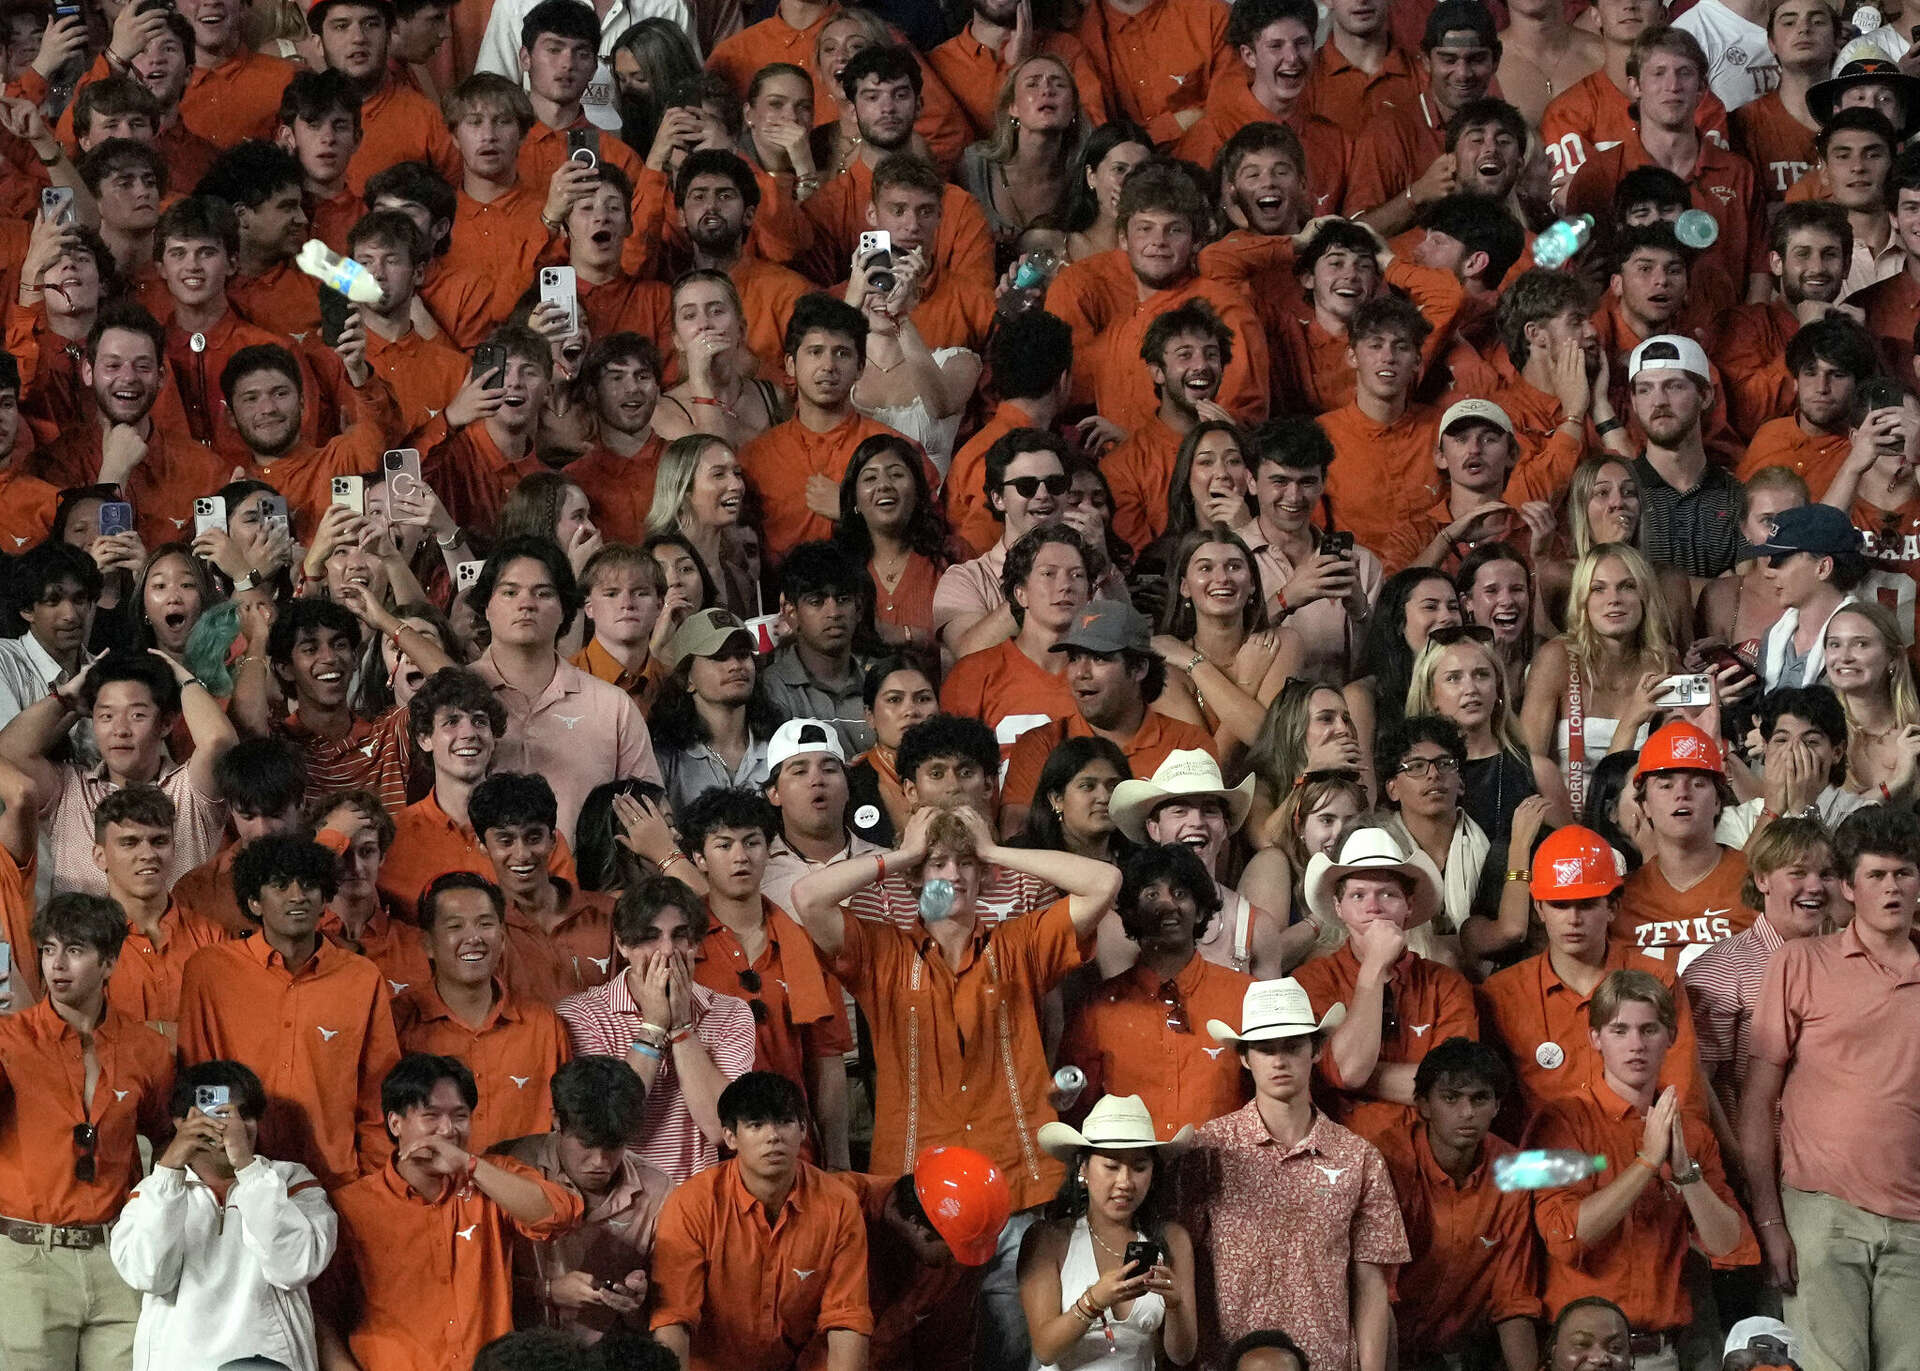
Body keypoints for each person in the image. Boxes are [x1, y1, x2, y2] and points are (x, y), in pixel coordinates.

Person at [790, 803, 1121, 1367]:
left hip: (1014, 1183)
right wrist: (899, 857)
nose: (953, 874)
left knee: (1011, 1349)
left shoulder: (1018, 943)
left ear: (984, 875)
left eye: (965, 863)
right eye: (939, 862)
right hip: (921, 1198)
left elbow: (1105, 881)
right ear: (918, 876)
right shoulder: (883, 952)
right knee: (918, 1346)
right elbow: (807, 899)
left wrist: (993, 849)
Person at [1741, 804, 1920, 1371]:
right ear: (1848, 886)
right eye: (1876, 875)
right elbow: (1756, 1102)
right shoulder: (1799, 962)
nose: (1892, 888)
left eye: (1904, 873)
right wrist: (1770, 1221)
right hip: (1820, 1211)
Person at [1182, 978, 1409, 1371]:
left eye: (1292, 1046)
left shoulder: (1359, 1158)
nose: (1279, 1060)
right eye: (1265, 1049)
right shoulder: (1208, 1150)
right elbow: (1182, 1260)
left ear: (1316, 1050)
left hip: (1327, 1361)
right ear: (1244, 1058)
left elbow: (1371, 1283)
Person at [1527, 969, 1757, 1358]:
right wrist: (1648, 1161)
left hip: (1663, 1352)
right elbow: (1564, 1238)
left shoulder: (1692, 1132)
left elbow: (1729, 1247)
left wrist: (1686, 1174)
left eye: (1649, 1030)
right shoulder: (1562, 1121)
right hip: (1583, 1354)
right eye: (1620, 1031)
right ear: (1595, 1038)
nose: (1636, 1044)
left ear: (1671, 1037)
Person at [0, 892, 174, 1371]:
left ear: (110, 961)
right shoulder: (8, 1040)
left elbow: (164, 1138)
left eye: (75, 950)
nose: (57, 964)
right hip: (26, 1257)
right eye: (49, 949)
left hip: (117, 1253)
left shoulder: (148, 1049)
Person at [323, 1054, 584, 1371]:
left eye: (460, 1116)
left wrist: (469, 1165)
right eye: (431, 1116)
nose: (447, 1131)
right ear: (395, 1123)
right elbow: (320, 1311)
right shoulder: (351, 1206)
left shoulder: (492, 1178)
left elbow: (560, 1214)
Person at [177, 834, 403, 1191]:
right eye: (280, 885)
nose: (298, 896)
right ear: (253, 901)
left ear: (325, 897)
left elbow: (377, 1094)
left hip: (333, 1185)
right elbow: (200, 1080)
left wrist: (370, 1185)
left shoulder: (361, 978)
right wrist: (216, 1175)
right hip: (233, 1181)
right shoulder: (210, 971)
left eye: (309, 884)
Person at [109, 1060, 338, 1371]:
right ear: (182, 1122)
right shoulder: (153, 1191)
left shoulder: (292, 1181)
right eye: (218, 1113)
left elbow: (294, 1266)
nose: (237, 1125)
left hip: (272, 1362)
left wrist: (247, 1167)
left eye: (247, 1115)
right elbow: (147, 1275)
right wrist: (170, 1168)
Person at [1478, 825, 1712, 1124]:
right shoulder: (1501, 994)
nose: (1573, 919)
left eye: (1587, 904)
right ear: (1539, 909)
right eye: (1560, 905)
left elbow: (1684, 1099)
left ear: (1612, 907)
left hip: (1643, 1155)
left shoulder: (1657, 979)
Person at [648, 1071, 871, 1371]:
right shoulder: (691, 1204)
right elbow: (673, 1319)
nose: (773, 1136)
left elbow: (847, 1318)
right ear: (730, 1137)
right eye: (756, 1125)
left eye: (785, 1122)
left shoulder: (839, 1203)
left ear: (804, 1129)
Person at [677, 784, 851, 1168]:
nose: (740, 857)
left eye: (751, 842)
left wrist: (839, 1168)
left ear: (768, 852)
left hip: (789, 1153)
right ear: (699, 858)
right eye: (724, 845)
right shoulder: (678, 947)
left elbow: (826, 1063)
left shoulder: (803, 943)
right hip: (701, 1160)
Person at [554, 874, 757, 1185]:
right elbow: (604, 1123)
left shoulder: (731, 1012)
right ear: (622, 944)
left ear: (695, 943)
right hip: (616, 1203)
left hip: (697, 1202)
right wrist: (653, 1026)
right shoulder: (581, 1014)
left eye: (679, 936)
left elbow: (720, 1129)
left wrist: (680, 1027)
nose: (666, 951)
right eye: (650, 936)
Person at [469, 535, 663, 846]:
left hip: (588, 889)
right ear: (486, 607)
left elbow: (648, 819)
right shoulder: (456, 700)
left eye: (543, 593)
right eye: (509, 592)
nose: (526, 604)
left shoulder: (612, 706)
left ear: (565, 610)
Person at [0, 648, 237, 898]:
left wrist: (183, 679)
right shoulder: (69, 791)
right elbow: (8, 754)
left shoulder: (190, 791)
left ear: (166, 723)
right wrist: (65, 699)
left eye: (137, 715)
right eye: (106, 715)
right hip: (82, 936)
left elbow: (219, 741)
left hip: (179, 935)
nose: (120, 729)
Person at [1292, 822, 1477, 1139]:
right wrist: (1375, 965)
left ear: (1409, 906)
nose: (1373, 907)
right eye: (1358, 895)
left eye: (1388, 894)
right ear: (1340, 908)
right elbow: (1350, 1071)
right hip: (1343, 1164)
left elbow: (1455, 1088)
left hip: (1429, 1159)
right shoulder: (1311, 980)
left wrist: (1350, 1074)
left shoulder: (1446, 985)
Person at [1058, 842, 1253, 1135]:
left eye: (1180, 893)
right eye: (1151, 894)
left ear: (1200, 911)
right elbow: (1076, 1115)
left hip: (1229, 1173)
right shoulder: (1098, 1009)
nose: (1167, 904)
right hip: (1135, 1177)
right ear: (1132, 914)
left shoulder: (1246, 996)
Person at [1373, 1038, 1542, 1371]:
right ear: (1422, 1104)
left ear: (1496, 1106)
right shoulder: (1386, 1161)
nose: (1467, 1112)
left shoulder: (1513, 1170)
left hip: (1462, 1356)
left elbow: (1514, 1300)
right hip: (1383, 1349)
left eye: (1480, 1098)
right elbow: (1377, 1296)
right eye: (1451, 1098)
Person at [492, 1055, 673, 1344]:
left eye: (613, 1146)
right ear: (556, 1122)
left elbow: (671, 1310)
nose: (600, 1161)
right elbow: (472, 1283)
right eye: (587, 1145)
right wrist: (546, 1290)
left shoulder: (657, 1191)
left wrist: (638, 1299)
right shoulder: (507, 1169)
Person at [998, 599, 1217, 836]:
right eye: (1074, 658)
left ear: (1139, 669)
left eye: (1099, 658)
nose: (1081, 672)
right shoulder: (1041, 744)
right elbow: (1017, 838)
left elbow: (1206, 841)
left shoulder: (1187, 744)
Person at [392, 871, 573, 1150]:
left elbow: (567, 1128)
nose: (473, 937)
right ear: (427, 944)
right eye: (455, 927)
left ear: (501, 939)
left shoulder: (543, 1025)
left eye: (484, 924)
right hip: (430, 1191)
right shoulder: (398, 1021)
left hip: (524, 1190)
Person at [1019, 1093, 1198, 1370]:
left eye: (1139, 1167)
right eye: (1111, 1167)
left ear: (1153, 1174)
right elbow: (1045, 1349)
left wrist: (1175, 1306)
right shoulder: (1049, 1239)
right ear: (1083, 1170)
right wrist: (1094, 1300)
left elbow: (1181, 1355)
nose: (1125, 1182)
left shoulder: (1172, 1240)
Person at [1683, 816, 1838, 1125]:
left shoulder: (1849, 961)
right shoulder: (1721, 970)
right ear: (1761, 879)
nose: (1815, 887)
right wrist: (1739, 1165)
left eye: (1826, 874)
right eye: (1798, 873)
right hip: (1760, 1159)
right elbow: (1699, 1088)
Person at [738, 293, 906, 563]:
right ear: (790, 364)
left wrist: (852, 510)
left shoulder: (895, 451)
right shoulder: (755, 459)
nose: (828, 366)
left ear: (860, 368)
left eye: (842, 353)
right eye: (815, 352)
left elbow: (928, 536)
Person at [1520, 542, 1678, 824]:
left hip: (1640, 829)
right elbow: (1527, 770)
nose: (1613, 599)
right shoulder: (1556, 660)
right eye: (1598, 588)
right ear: (1582, 600)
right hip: (1561, 825)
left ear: (1644, 596)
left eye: (1627, 586)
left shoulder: (1665, 667)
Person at [941, 523, 1094, 754]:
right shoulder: (973, 675)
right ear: (1020, 593)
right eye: (1048, 574)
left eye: (1077, 575)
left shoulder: (1107, 674)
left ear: (1089, 594)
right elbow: (951, 773)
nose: (1065, 586)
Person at [1616, 721, 1755, 970]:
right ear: (1645, 804)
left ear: (1717, 801)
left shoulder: (1759, 882)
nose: (1682, 793)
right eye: (1666, 785)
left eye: (1698, 783)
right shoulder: (1620, 899)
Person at [470, 772, 618, 1006]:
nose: (522, 855)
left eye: (533, 837)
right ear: (482, 846)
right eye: (506, 841)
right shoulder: (478, 933)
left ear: (553, 839)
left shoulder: (610, 914)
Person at [92, 785, 232, 1030]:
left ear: (174, 849)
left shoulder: (213, 937)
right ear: (99, 856)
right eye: (129, 843)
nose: (148, 854)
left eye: (159, 841)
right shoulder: (81, 942)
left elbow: (231, 1030)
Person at [1149, 524, 1299, 753]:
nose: (1221, 578)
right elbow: (1208, 769)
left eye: (1234, 566)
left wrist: (1194, 664)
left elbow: (1267, 740)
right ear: (1185, 587)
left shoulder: (1281, 644)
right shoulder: (1168, 669)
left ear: (1251, 584)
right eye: (1205, 568)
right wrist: (1247, 681)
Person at [1406, 628, 1538, 840]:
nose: (1470, 688)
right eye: (1454, 678)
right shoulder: (1410, 777)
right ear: (1431, 696)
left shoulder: (1538, 772)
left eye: (1481, 675)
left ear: (1498, 689)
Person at [648, 608, 785, 812]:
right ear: (687, 679)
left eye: (743, 654)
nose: (736, 665)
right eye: (719, 657)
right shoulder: (664, 755)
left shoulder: (781, 745)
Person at [759, 541, 870, 754]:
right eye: (817, 601)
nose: (834, 612)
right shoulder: (771, 689)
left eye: (843, 599)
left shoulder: (879, 685)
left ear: (858, 609)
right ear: (791, 613)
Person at [644, 433, 762, 620]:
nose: (737, 485)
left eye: (737, 473)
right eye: (718, 474)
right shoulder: (653, 570)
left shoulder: (740, 579)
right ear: (682, 488)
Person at [1750, 503, 1867, 691]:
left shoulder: (1863, 642)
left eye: (1781, 559)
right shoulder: (1774, 635)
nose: (1768, 572)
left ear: (1823, 568)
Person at [844, 657, 938, 847]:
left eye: (923, 699)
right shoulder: (847, 785)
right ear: (869, 715)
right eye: (894, 699)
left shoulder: (965, 775)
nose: (911, 710)